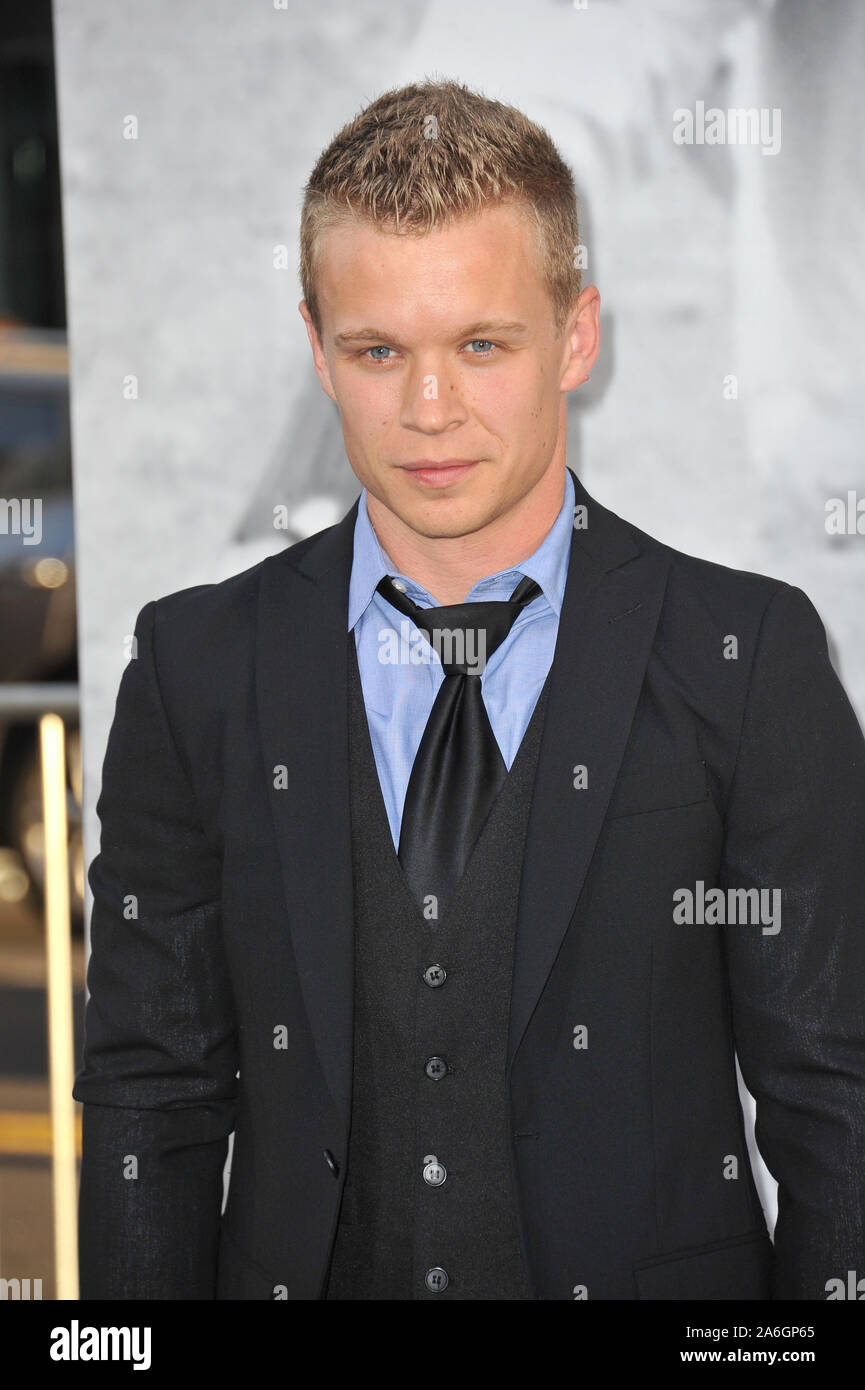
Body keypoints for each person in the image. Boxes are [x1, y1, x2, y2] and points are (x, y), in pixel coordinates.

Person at [74, 78, 865, 1301]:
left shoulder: (745, 656)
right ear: (317, 351)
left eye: (482, 344)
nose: (428, 409)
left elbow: (837, 1098)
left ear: (579, 337)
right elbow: (150, 1094)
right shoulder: (196, 668)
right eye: (378, 349)